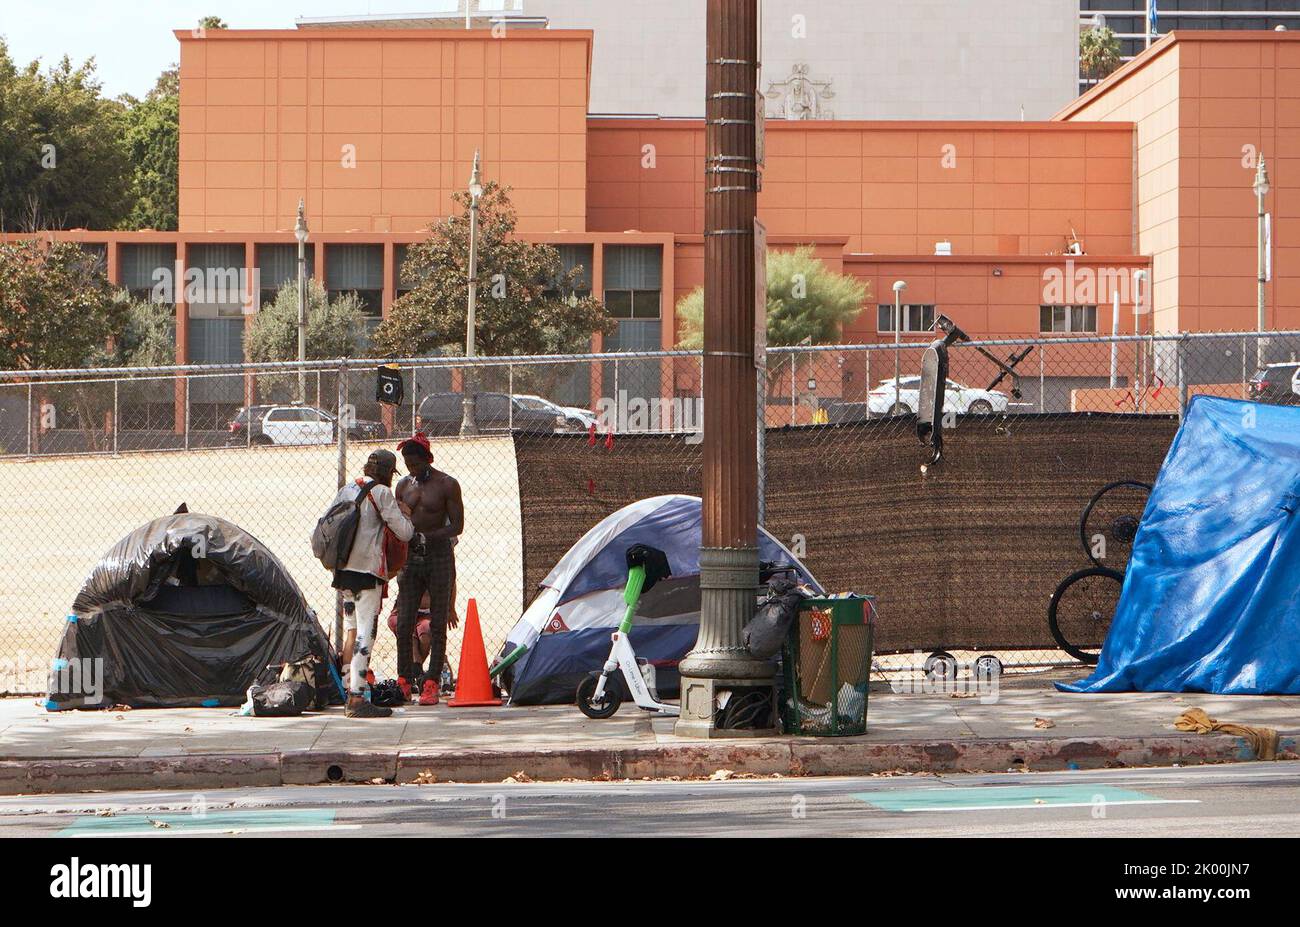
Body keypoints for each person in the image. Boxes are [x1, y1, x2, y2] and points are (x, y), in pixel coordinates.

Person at [330, 449, 413, 718]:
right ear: (388, 472)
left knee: (351, 630)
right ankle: (357, 699)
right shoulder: (381, 493)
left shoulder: (346, 490)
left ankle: (347, 691)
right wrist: (405, 514)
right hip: (367, 573)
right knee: (366, 632)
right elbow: (405, 532)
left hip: (343, 573)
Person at [394, 432, 464, 706]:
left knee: (437, 621)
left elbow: (457, 526)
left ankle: (432, 682)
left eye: (416, 464)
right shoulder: (402, 486)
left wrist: (429, 535)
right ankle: (404, 680)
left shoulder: (447, 484)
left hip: (438, 555)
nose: (412, 470)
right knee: (404, 620)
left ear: (429, 460)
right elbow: (398, 522)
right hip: (411, 559)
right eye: (408, 465)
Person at [386, 590, 460, 680]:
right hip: (406, 609)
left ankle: (417, 671)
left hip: (429, 612)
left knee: (425, 635)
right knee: (407, 631)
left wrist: (451, 608)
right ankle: (417, 669)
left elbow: (451, 580)